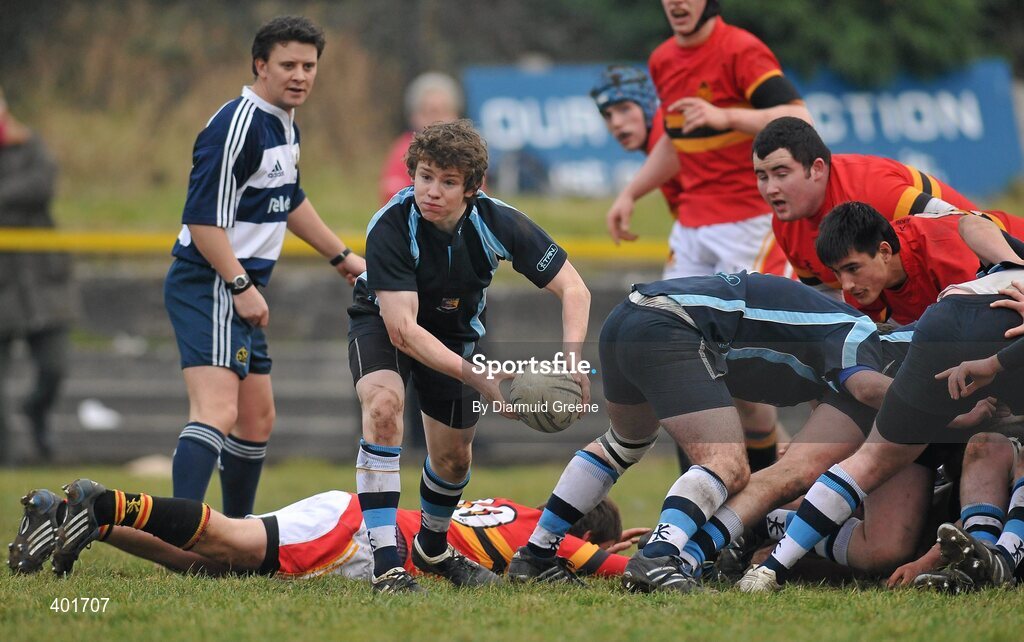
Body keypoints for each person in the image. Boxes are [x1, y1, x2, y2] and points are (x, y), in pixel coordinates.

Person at [506, 271, 898, 593]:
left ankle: (536, 554)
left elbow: (814, 447)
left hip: (629, 317)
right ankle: (659, 556)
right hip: (671, 326)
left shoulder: (834, 352)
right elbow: (865, 387)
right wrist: (929, 404)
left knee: (623, 443)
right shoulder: (864, 337)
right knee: (727, 463)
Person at [349, 118, 592, 593]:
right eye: (424, 176)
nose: (432, 191)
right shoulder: (392, 225)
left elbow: (575, 289)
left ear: (472, 188)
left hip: (457, 333)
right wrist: (487, 382)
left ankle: (432, 549)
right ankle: (386, 565)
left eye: (448, 181)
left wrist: (570, 360)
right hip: (384, 324)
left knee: (454, 459)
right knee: (383, 407)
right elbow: (404, 331)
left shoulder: (497, 220)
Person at [164, 16, 365, 518]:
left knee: (256, 419)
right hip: (210, 281)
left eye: (309, 65)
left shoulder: (282, 120)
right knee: (217, 410)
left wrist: (340, 256)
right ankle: (180, 534)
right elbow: (202, 221)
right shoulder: (238, 126)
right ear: (260, 65)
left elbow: (287, 196)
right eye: (288, 65)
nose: (300, 75)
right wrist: (239, 284)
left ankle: (234, 532)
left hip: (236, 284)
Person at [605, 1, 811, 474]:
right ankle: (701, 518)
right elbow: (677, 142)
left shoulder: (741, 49)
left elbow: (801, 119)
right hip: (693, 230)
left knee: (743, 381)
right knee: (673, 360)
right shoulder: (662, 60)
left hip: (748, 226)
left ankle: (755, 515)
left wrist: (727, 117)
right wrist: (632, 191)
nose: (676, 2)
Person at [737, 267, 1024, 592]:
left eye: (854, 269)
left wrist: (928, 559)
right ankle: (741, 526)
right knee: (865, 513)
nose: (847, 283)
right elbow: (972, 227)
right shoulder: (893, 350)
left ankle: (755, 528)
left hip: (946, 470)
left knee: (884, 543)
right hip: (910, 400)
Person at [8, 478, 641, 581]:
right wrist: (625, 551)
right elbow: (622, 570)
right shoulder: (553, 541)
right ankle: (105, 501)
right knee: (224, 541)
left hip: (351, 516)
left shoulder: (517, 510)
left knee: (205, 562)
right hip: (353, 535)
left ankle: (75, 516)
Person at [751, 116, 980, 316]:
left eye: (781, 174)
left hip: (992, 275)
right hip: (919, 310)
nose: (770, 189)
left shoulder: (873, 188)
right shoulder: (785, 225)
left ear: (817, 169)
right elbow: (828, 308)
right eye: (762, 177)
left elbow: (967, 223)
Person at [0, 86, 76, 464]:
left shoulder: (30, 145)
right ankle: (7, 455)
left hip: (42, 279)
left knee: (54, 366)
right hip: (4, 285)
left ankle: (36, 414)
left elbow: (41, 185)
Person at [815, 203, 1010, 325]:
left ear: (884, 251)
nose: (846, 285)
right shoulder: (862, 284)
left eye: (853, 269)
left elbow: (995, 326)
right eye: (837, 272)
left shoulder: (944, 252)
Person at [378, 72, 463, 205]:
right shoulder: (403, 152)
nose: (437, 119)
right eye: (431, 112)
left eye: (444, 111)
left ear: (455, 115)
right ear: (415, 116)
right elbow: (392, 198)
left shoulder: (467, 154)